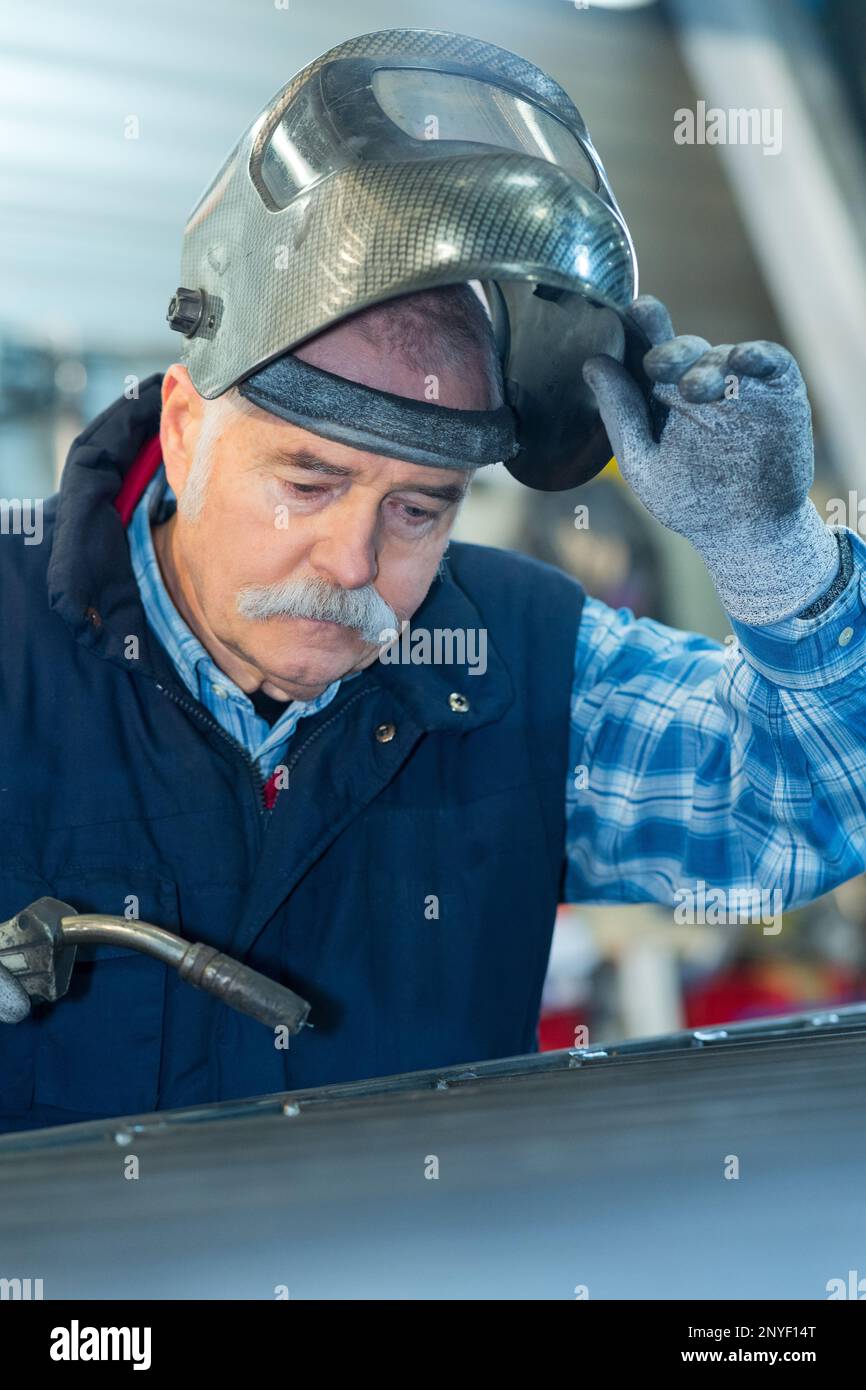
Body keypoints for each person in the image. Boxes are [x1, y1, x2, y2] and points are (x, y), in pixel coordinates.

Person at [1, 29, 864, 1133]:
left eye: (418, 508)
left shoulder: (524, 663)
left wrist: (770, 553)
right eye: (308, 483)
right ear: (182, 429)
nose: (355, 564)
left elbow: (797, 807)